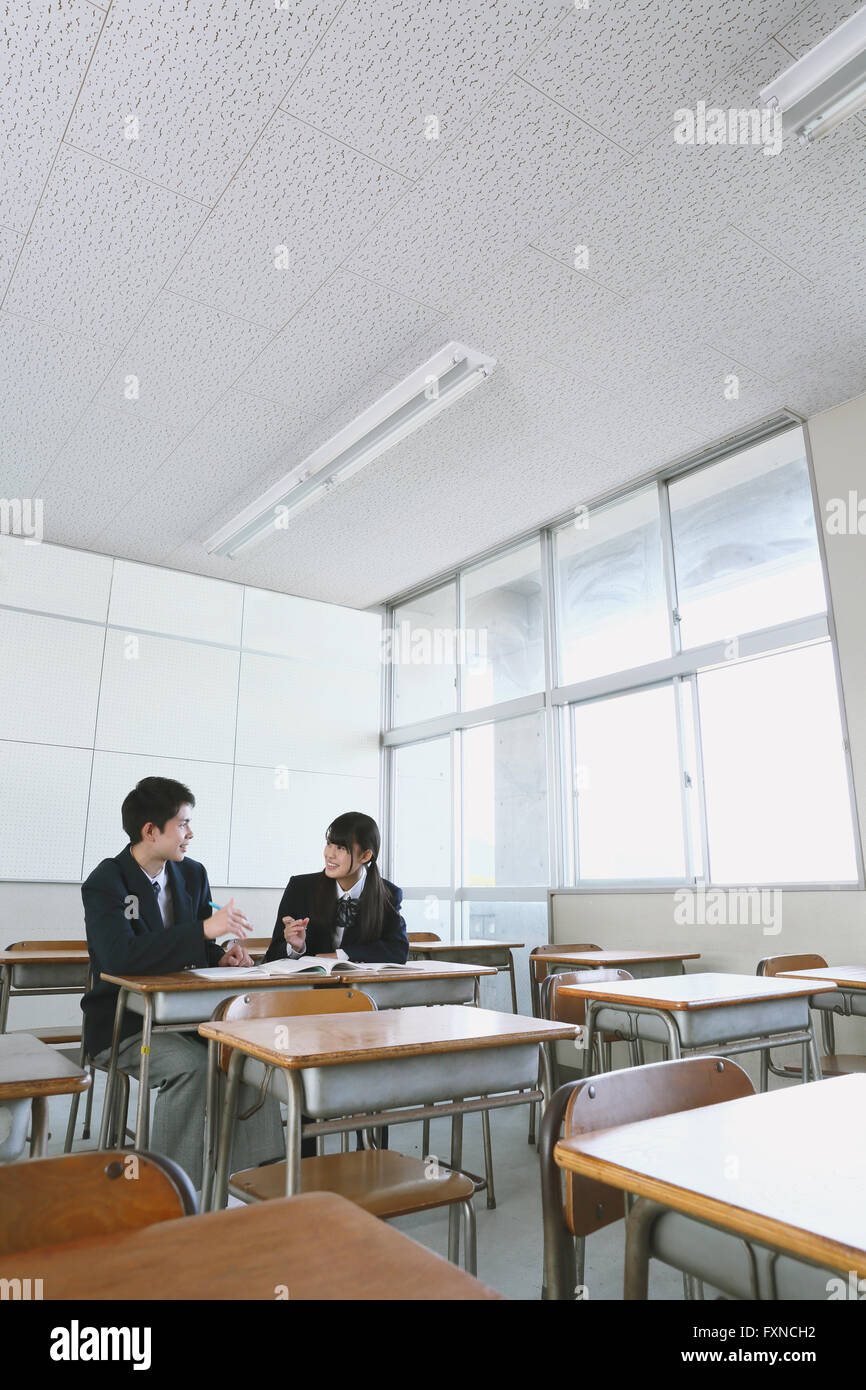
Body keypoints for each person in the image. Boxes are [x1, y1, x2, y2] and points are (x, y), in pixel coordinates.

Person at [81, 776, 283, 1191]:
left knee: (249, 1057)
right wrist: (205, 932)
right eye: (183, 824)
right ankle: (172, 1191)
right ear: (150, 831)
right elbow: (120, 957)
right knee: (192, 1070)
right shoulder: (107, 882)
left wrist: (221, 955)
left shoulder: (191, 875)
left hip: (189, 1019)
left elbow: (194, 953)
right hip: (128, 1028)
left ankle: (252, 1183)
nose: (190, 834)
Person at [264, 811, 409, 965]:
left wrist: (341, 956)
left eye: (340, 847)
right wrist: (295, 947)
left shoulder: (388, 893)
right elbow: (272, 954)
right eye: (329, 844)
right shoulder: (300, 888)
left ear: (365, 856)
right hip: (310, 986)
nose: (329, 855)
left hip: (359, 987)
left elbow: (397, 951)